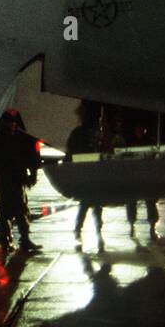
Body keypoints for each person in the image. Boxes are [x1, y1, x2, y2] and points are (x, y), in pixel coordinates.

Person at [0, 108, 42, 254]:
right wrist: (32, 174)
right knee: (19, 210)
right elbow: (31, 155)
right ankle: (20, 240)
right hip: (13, 178)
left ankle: (8, 241)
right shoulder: (17, 136)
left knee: (8, 211)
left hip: (8, 178)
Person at [66, 102, 105, 250]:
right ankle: (93, 229)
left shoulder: (80, 133)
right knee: (93, 204)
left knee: (88, 203)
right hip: (92, 172)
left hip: (85, 173)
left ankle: (80, 228)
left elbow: (70, 152)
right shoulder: (95, 133)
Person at [124, 118, 160, 242]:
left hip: (144, 177)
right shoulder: (133, 142)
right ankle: (132, 226)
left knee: (149, 203)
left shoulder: (146, 142)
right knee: (132, 203)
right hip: (136, 177)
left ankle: (151, 227)